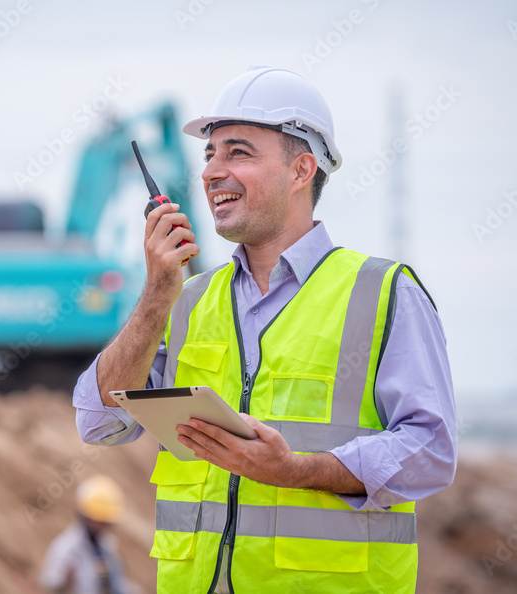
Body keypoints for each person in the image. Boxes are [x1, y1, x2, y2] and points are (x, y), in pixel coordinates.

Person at [72, 66, 457, 593]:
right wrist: (157, 293)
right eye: (209, 155)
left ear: (301, 171)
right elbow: (98, 421)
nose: (211, 172)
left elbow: (431, 451)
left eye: (238, 152)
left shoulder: (384, 293)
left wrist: (298, 470)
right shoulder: (184, 302)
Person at [39, 475, 133, 594]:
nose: (106, 526)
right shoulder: (66, 549)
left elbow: (117, 585)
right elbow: (51, 583)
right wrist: (63, 585)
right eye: (102, 521)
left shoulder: (107, 545)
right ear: (87, 517)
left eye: (107, 522)